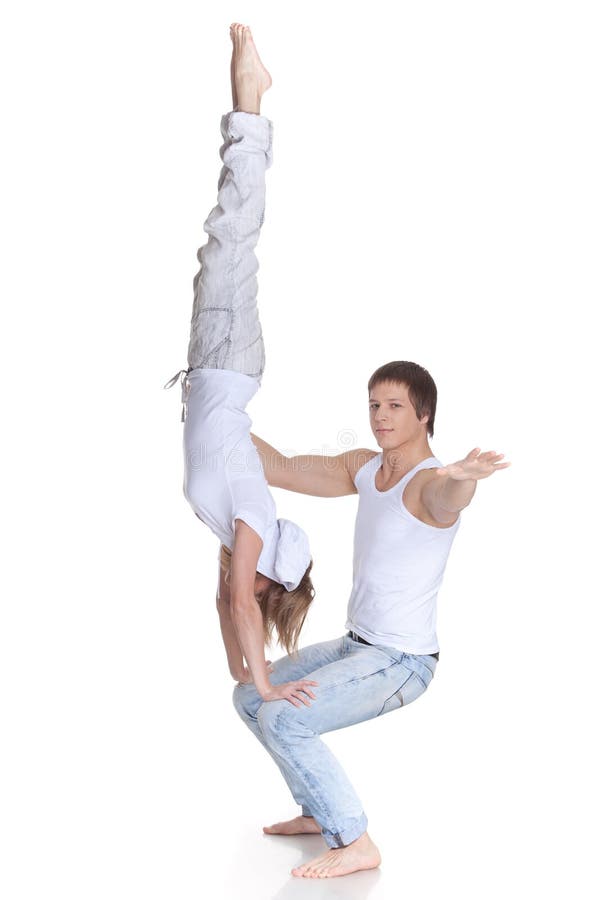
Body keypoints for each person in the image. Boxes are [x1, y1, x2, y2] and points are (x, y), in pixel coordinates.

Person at [225, 28, 510, 877]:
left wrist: (459, 477)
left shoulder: (427, 483)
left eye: (394, 406)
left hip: (401, 665)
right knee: (252, 693)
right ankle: (319, 813)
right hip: (358, 644)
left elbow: (447, 506)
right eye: (374, 404)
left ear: (423, 414)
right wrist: (220, 420)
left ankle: (356, 840)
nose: (380, 416)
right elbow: (279, 468)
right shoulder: (364, 470)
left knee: (283, 713)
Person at [164, 22, 317, 707]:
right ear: (271, 577)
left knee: (225, 237)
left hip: (214, 363)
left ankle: (249, 106)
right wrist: (269, 684)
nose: (244, 586)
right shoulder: (253, 515)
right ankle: (250, 104)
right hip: (226, 360)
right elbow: (241, 602)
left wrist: (251, 677)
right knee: (233, 231)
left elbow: (231, 617)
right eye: (258, 589)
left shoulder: (233, 529)